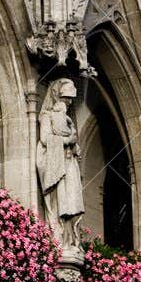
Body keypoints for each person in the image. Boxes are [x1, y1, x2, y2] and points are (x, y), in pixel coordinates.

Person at [36, 78, 83, 246]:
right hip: (57, 166)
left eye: (70, 99)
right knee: (59, 202)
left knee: (72, 203)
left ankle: (70, 240)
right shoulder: (47, 116)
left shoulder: (68, 121)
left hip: (69, 164)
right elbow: (45, 139)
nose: (69, 102)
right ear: (57, 97)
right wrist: (68, 140)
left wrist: (74, 142)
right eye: (66, 98)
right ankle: (58, 237)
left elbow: (73, 141)